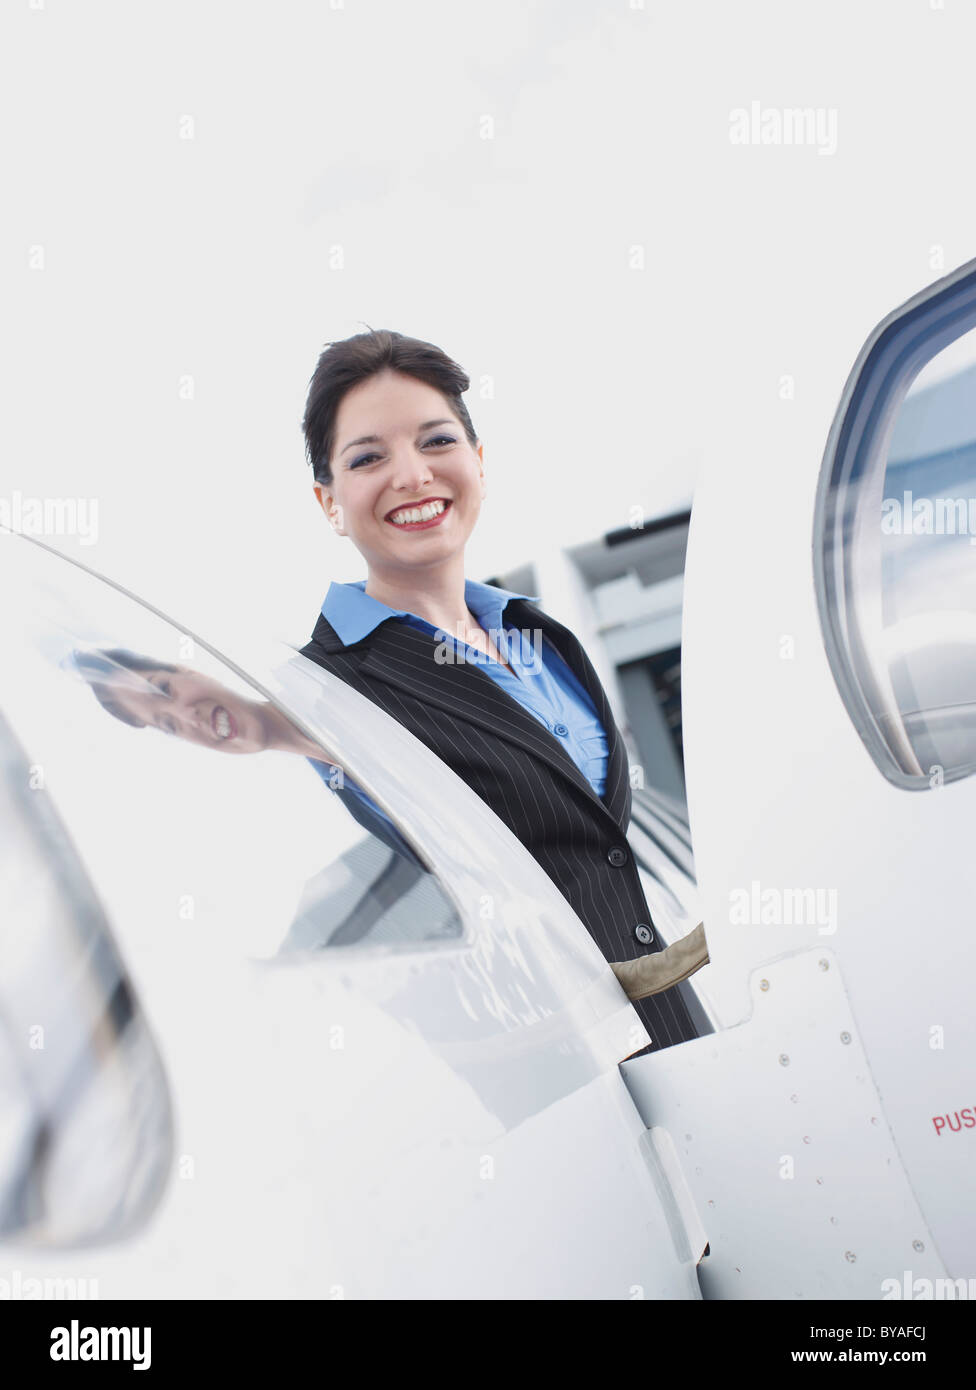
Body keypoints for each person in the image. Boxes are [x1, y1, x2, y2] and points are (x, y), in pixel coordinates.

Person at [298, 328, 705, 1059]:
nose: (413, 475)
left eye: (437, 441)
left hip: (675, 1029)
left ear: (478, 464)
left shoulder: (542, 637)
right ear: (330, 502)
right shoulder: (323, 692)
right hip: (548, 1073)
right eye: (368, 457)